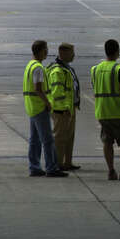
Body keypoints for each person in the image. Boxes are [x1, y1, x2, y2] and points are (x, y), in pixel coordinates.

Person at [90, 39, 120, 181]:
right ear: (117, 51)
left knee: (107, 142)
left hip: (102, 112)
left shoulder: (95, 69)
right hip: (118, 112)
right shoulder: (118, 69)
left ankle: (111, 171)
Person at [23, 40, 68, 177]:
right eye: (46, 49)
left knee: (35, 140)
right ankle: (51, 167)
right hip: (39, 107)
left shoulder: (30, 65)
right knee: (47, 139)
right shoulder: (38, 68)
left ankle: (34, 167)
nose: (47, 52)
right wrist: (48, 103)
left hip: (31, 107)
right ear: (41, 51)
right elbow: (38, 89)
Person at [48, 42, 80, 171]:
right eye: (72, 52)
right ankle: (58, 163)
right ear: (64, 53)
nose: (74, 55)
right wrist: (65, 107)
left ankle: (67, 162)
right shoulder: (57, 71)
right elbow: (57, 93)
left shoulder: (68, 68)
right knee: (60, 137)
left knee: (69, 136)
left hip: (70, 107)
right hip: (61, 110)